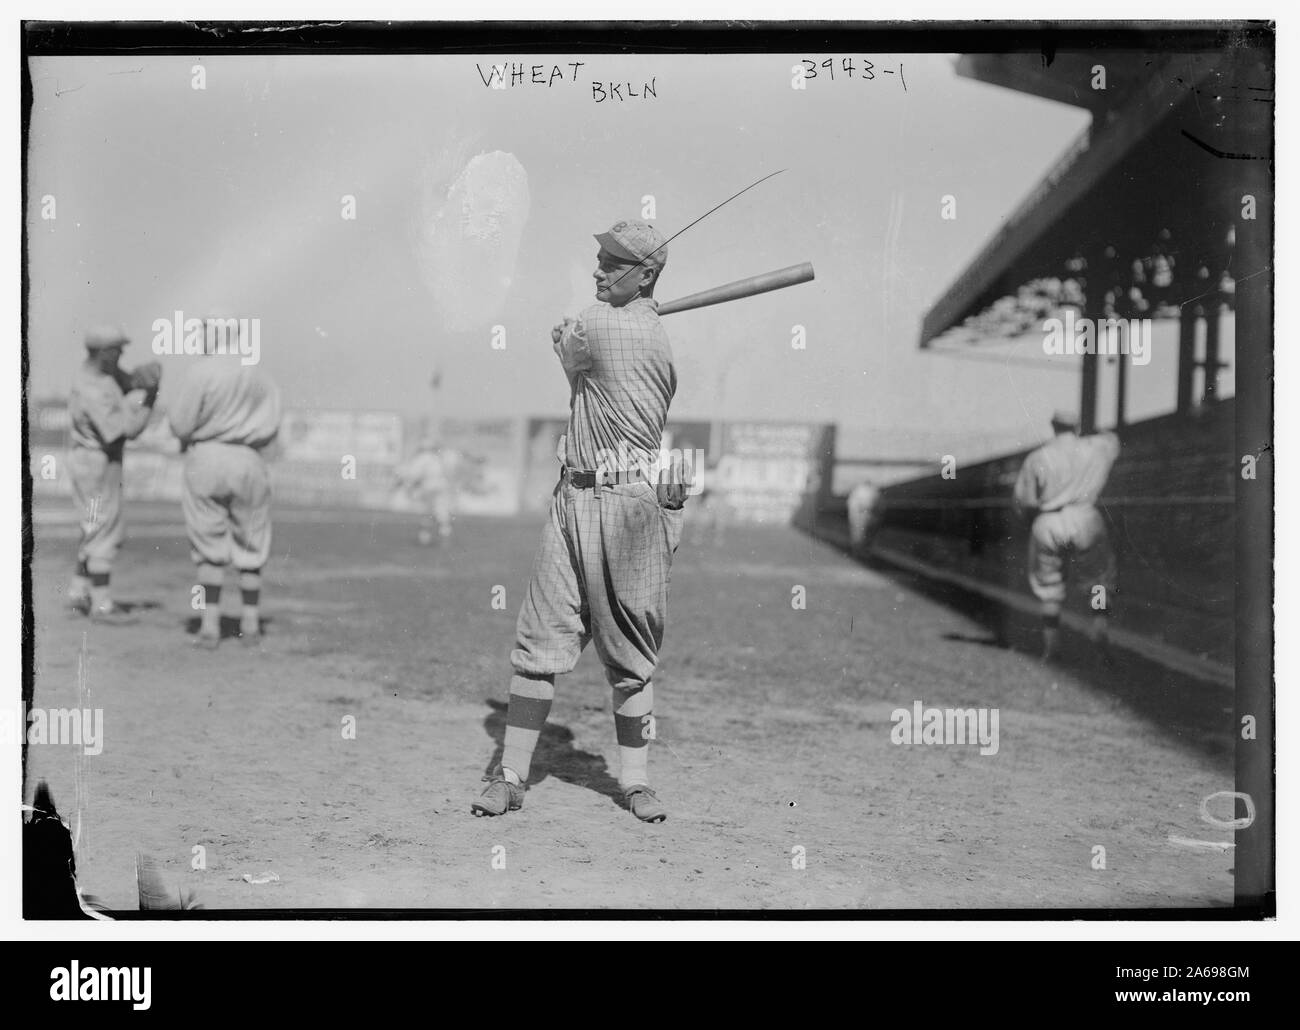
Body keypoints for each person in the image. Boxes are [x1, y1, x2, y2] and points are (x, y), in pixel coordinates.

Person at [472, 219, 685, 823]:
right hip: (573, 498)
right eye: (598, 257)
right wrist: (573, 357)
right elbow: (584, 387)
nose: (597, 270)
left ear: (645, 275)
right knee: (537, 643)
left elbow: (576, 341)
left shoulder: (608, 326)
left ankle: (636, 783)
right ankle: (510, 774)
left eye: (612, 263)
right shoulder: (630, 325)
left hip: (627, 509)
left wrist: (567, 344)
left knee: (631, 655)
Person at [167, 317, 282, 650]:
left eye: (203, 331)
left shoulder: (201, 371)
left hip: (207, 456)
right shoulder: (261, 375)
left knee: (208, 547)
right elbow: (273, 424)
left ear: (214, 334)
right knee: (252, 543)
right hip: (250, 459)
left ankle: (210, 624)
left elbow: (180, 424)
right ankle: (250, 621)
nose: (200, 336)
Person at [65, 325, 159, 624]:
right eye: (118, 349)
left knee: (92, 526)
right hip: (97, 463)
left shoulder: (100, 374)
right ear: (104, 352)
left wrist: (139, 381)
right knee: (105, 528)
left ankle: (78, 591)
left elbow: (126, 381)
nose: (122, 354)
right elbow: (127, 431)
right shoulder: (93, 388)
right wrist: (152, 396)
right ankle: (101, 603)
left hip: (91, 460)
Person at [1012, 410, 1121, 661]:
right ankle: (1099, 626)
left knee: (1049, 586)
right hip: (1085, 518)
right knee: (1099, 579)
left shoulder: (1037, 457)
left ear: (1053, 426)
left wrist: (1035, 519)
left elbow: (1024, 501)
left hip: (1048, 520)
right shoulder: (1097, 448)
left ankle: (1052, 645)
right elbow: (1113, 440)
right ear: (1078, 426)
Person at [394, 433, 454, 546]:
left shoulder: (423, 458)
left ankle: (425, 539)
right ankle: (444, 539)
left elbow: (414, 474)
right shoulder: (439, 457)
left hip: (429, 488)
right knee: (442, 514)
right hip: (441, 488)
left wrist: (408, 485)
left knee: (427, 515)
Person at [846, 478, 882, 556]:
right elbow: (852, 504)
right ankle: (858, 551)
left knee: (866, 534)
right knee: (859, 534)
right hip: (860, 516)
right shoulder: (859, 490)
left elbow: (879, 504)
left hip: (869, 515)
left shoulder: (872, 490)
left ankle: (863, 551)